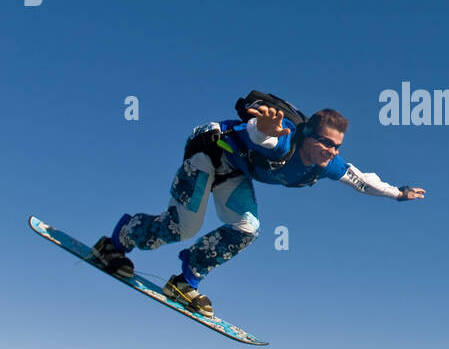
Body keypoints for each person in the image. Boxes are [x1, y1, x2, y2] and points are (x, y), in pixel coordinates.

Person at [90, 98, 425, 318]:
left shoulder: (327, 165)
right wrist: (262, 128)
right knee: (183, 227)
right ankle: (115, 243)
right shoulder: (283, 139)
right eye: (324, 142)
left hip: (235, 171)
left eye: (336, 146)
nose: (330, 151)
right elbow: (261, 136)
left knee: (248, 227)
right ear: (307, 135)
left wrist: (398, 193)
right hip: (208, 152)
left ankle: (185, 281)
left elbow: (362, 180)